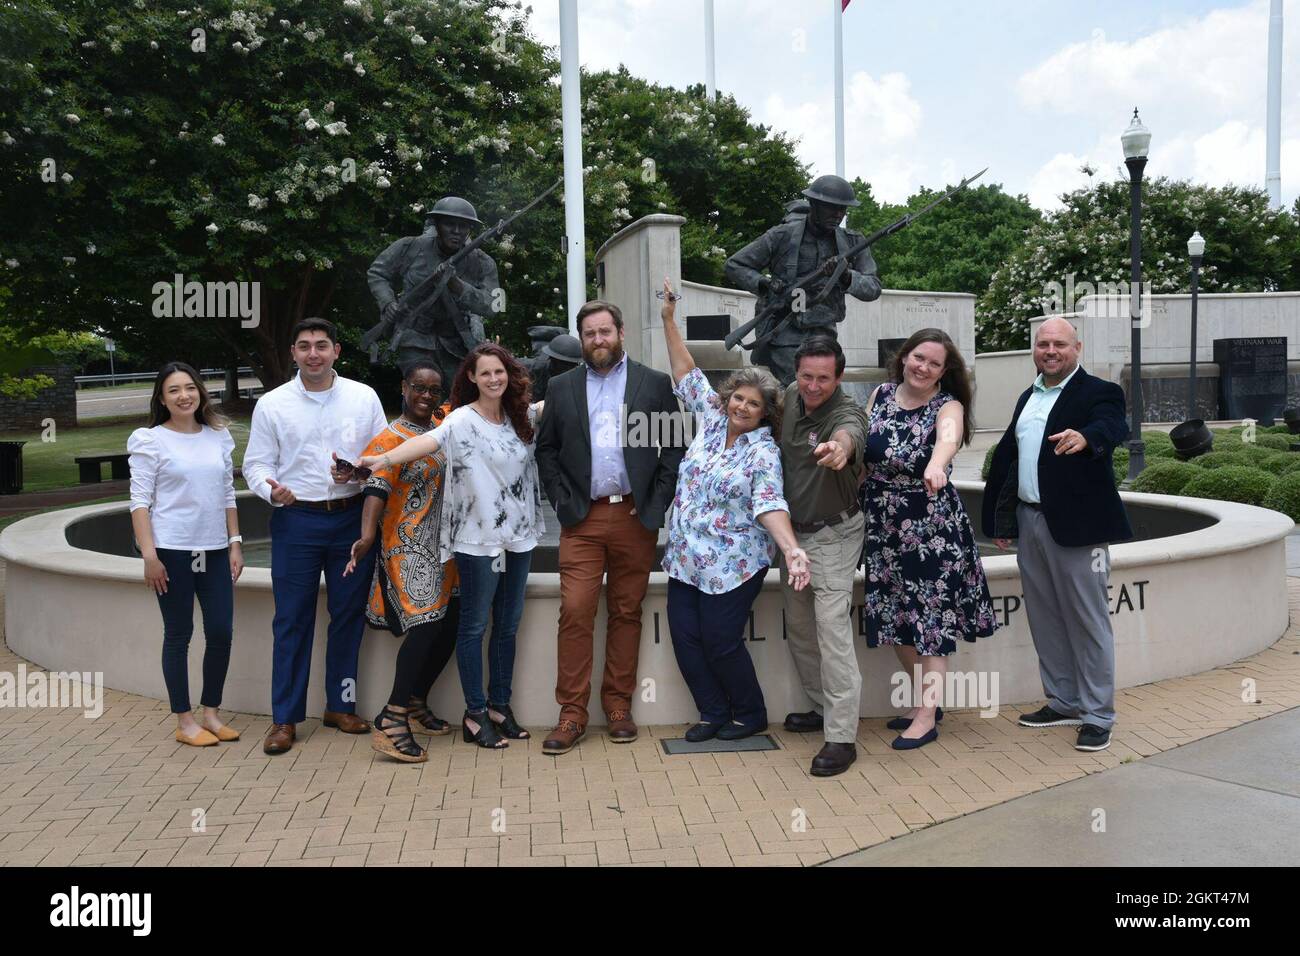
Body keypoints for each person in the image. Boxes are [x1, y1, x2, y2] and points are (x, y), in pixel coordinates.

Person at [356, 343, 544, 750]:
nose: (494, 379)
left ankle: (499, 707)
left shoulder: (519, 417)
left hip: (519, 537)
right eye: (485, 373)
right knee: (473, 627)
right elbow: (426, 444)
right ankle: (475, 714)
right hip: (477, 542)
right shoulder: (460, 419)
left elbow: (563, 401)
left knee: (507, 628)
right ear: (472, 379)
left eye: (500, 371)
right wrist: (379, 462)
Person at [655, 278, 810, 741]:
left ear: (766, 413)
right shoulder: (711, 418)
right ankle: (711, 712)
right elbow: (685, 370)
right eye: (738, 397)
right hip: (686, 558)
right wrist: (667, 319)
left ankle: (750, 713)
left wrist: (792, 549)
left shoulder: (763, 452)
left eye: (753, 403)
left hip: (733, 563)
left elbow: (769, 502)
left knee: (720, 641)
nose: (742, 406)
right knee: (685, 638)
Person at [534, 300, 686, 755]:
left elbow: (674, 447)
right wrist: (561, 500)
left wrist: (655, 504)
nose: (598, 340)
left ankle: (618, 706)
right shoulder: (561, 387)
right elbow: (547, 451)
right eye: (589, 334)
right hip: (581, 518)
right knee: (576, 610)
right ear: (582, 340)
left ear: (621, 333)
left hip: (634, 518)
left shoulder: (653, 384)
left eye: (605, 331)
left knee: (626, 611)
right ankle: (572, 713)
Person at [982, 317, 1132, 753]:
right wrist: (1002, 521)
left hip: (1079, 526)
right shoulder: (1028, 396)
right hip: (1031, 521)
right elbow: (1010, 456)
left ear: (1077, 348)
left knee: (1088, 619)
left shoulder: (1099, 392)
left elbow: (1112, 426)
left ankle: (1098, 714)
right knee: (1045, 618)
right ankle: (1063, 701)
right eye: (1043, 343)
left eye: (1059, 344)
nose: (1050, 350)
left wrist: (1086, 437)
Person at [242, 317, 388, 755]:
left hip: (350, 518)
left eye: (322, 345)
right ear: (293, 352)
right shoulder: (272, 404)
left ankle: (340, 706)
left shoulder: (363, 398)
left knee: (347, 616)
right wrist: (271, 488)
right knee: (292, 619)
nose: (313, 354)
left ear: (336, 351)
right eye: (304, 346)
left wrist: (360, 470)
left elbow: (382, 456)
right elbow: (256, 464)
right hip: (296, 520)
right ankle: (284, 718)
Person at [859, 329, 998, 751]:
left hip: (930, 525)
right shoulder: (880, 395)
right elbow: (864, 450)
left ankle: (926, 716)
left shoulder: (947, 405)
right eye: (919, 358)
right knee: (895, 618)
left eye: (934, 364)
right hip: (883, 525)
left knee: (930, 621)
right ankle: (926, 703)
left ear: (944, 372)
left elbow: (949, 438)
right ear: (904, 358)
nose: (923, 367)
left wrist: (938, 465)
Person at [337, 362, 460, 764]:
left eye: (434, 388)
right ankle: (392, 718)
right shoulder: (388, 439)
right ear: (403, 388)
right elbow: (375, 486)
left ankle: (415, 699)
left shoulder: (444, 423)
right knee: (425, 626)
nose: (427, 395)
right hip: (406, 545)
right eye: (419, 387)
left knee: (450, 625)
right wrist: (368, 535)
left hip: (446, 547)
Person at [128, 362, 243, 747]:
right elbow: (139, 502)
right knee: (179, 634)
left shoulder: (218, 436)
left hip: (212, 550)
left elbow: (227, 494)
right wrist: (149, 555)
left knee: (222, 632)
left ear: (200, 392)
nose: (183, 396)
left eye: (189, 387)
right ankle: (185, 720)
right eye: (174, 390)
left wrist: (235, 542)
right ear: (162, 398)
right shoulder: (150, 440)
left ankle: (211, 713)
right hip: (172, 551)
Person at [778, 335, 869, 777]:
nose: (814, 386)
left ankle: (841, 738)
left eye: (824, 379)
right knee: (799, 628)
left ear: (839, 377)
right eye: (807, 376)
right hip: (793, 539)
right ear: (796, 373)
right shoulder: (792, 395)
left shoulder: (847, 410)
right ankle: (819, 708)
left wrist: (840, 449)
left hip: (834, 534)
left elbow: (850, 435)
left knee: (832, 634)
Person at [724, 174, 882, 386]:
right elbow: (735, 265)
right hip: (783, 333)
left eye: (842, 209)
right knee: (801, 387)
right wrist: (765, 284)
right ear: (813, 205)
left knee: (824, 388)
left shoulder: (853, 242)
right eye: (831, 207)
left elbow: (873, 288)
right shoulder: (781, 236)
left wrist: (845, 276)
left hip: (824, 333)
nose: (838, 214)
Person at [366, 195, 498, 382]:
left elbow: (493, 307)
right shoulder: (409, 246)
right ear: (437, 224)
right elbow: (378, 273)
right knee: (420, 391)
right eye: (449, 224)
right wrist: (388, 303)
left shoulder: (482, 262)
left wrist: (457, 286)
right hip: (415, 337)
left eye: (464, 226)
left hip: (457, 341)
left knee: (456, 400)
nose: (457, 231)